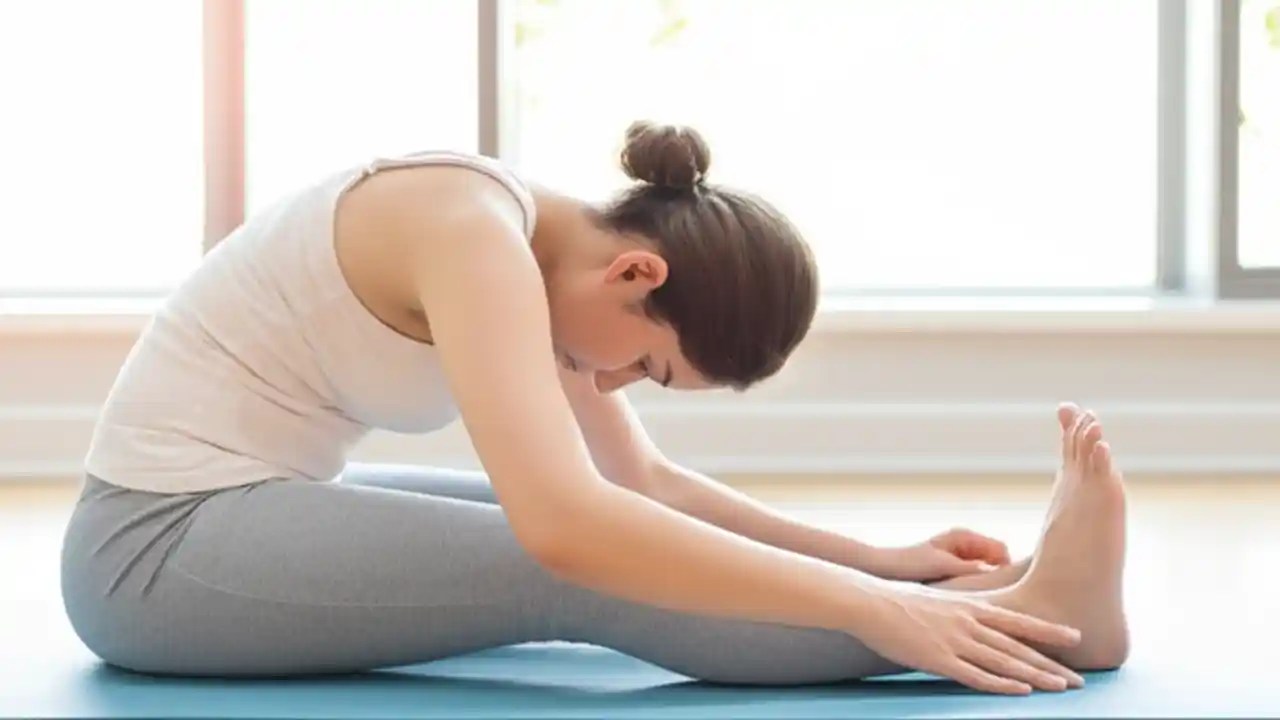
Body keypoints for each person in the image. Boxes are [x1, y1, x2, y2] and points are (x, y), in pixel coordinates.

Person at [60, 121, 1129, 694]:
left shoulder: (543, 255)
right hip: (153, 558)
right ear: (637, 277)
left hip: (243, 506)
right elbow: (571, 527)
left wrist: (874, 561)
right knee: (559, 561)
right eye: (648, 372)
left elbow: (642, 483)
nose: (612, 386)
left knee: (582, 525)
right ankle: (1039, 625)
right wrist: (863, 614)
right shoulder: (468, 235)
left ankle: (1021, 600)